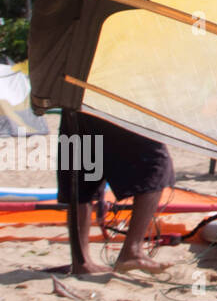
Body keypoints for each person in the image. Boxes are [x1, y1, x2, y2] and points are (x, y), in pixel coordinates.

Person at [53, 109, 174, 275]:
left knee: (81, 180)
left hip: (73, 102)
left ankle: (80, 262)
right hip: (106, 101)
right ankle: (132, 250)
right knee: (157, 165)